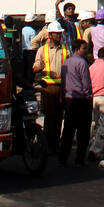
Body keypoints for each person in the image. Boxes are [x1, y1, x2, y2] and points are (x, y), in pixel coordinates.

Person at [32, 21, 69, 152]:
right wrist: (39, 67)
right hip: (47, 88)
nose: (59, 36)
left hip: (61, 87)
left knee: (59, 117)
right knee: (49, 117)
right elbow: (35, 66)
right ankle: (47, 145)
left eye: (60, 34)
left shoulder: (65, 50)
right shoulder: (42, 50)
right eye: (57, 34)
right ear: (50, 34)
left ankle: (55, 144)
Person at [59, 39, 94, 166]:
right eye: (84, 48)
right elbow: (86, 83)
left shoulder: (66, 62)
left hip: (69, 100)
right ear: (77, 49)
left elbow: (63, 82)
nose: (86, 51)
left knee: (68, 131)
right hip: (81, 100)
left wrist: (63, 96)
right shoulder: (82, 63)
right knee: (83, 132)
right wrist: (89, 97)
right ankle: (79, 158)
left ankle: (63, 157)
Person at [20, 15, 38, 87]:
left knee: (25, 67)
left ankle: (25, 83)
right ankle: (30, 83)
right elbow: (34, 42)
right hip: (31, 51)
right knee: (30, 68)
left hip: (24, 50)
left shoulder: (23, 29)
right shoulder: (32, 31)